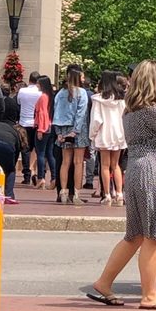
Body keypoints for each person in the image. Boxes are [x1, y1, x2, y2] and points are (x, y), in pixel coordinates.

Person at [87, 60, 156, 310]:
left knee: (135, 235)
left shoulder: (129, 111)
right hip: (153, 170)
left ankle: (104, 282)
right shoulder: (152, 111)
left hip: (135, 170)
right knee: (153, 236)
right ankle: (149, 295)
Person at [53, 66, 89, 206]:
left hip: (62, 128)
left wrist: (58, 133)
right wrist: (76, 130)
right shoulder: (82, 93)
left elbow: (56, 113)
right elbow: (81, 113)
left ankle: (63, 191)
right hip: (77, 130)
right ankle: (76, 194)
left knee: (65, 162)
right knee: (78, 162)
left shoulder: (60, 93)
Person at [89, 71, 127, 205]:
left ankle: (107, 194)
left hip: (104, 133)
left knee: (104, 166)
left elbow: (96, 120)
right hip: (119, 133)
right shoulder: (121, 99)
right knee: (116, 165)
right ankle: (120, 193)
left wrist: (92, 135)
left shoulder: (98, 99)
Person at [17, 72, 43, 186]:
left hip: (24, 122)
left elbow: (19, 102)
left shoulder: (22, 91)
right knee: (36, 149)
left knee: (25, 149)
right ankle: (35, 171)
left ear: (30, 80)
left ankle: (26, 175)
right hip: (35, 123)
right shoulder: (40, 93)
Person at [33, 75, 55, 190]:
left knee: (40, 153)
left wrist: (41, 129)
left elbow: (42, 114)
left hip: (43, 127)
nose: (36, 85)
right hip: (50, 126)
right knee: (50, 153)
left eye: (38, 83)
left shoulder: (43, 97)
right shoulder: (50, 96)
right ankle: (54, 177)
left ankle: (41, 177)